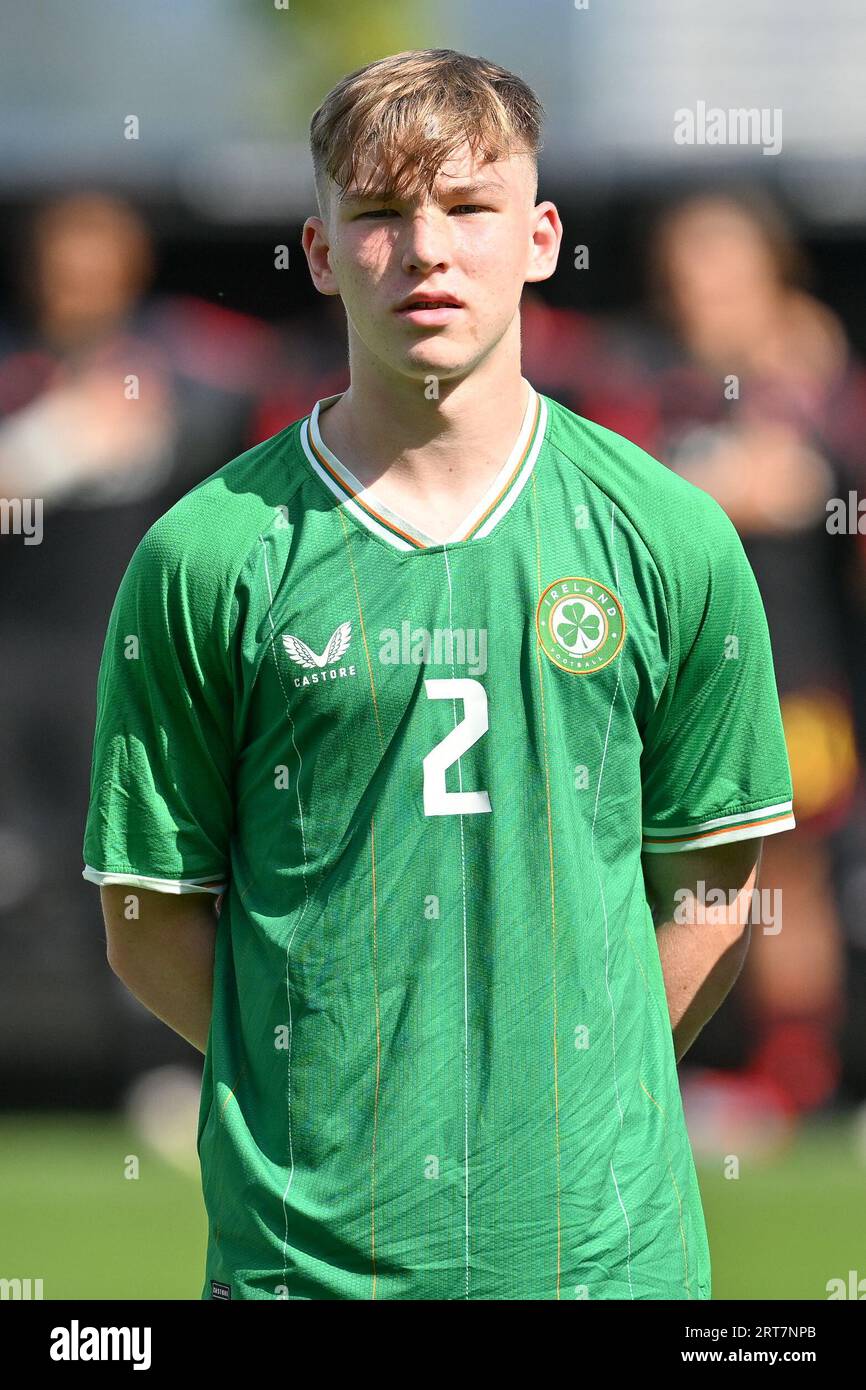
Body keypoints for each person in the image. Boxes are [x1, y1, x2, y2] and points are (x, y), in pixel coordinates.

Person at [82, 49, 795, 1301]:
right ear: (315, 251)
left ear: (538, 236)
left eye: (468, 209)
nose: (426, 250)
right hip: (303, 1266)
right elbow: (146, 922)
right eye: (377, 214)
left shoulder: (671, 537)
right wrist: (330, 1095)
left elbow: (712, 889)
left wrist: (563, 1093)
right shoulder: (202, 558)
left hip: (599, 1259)